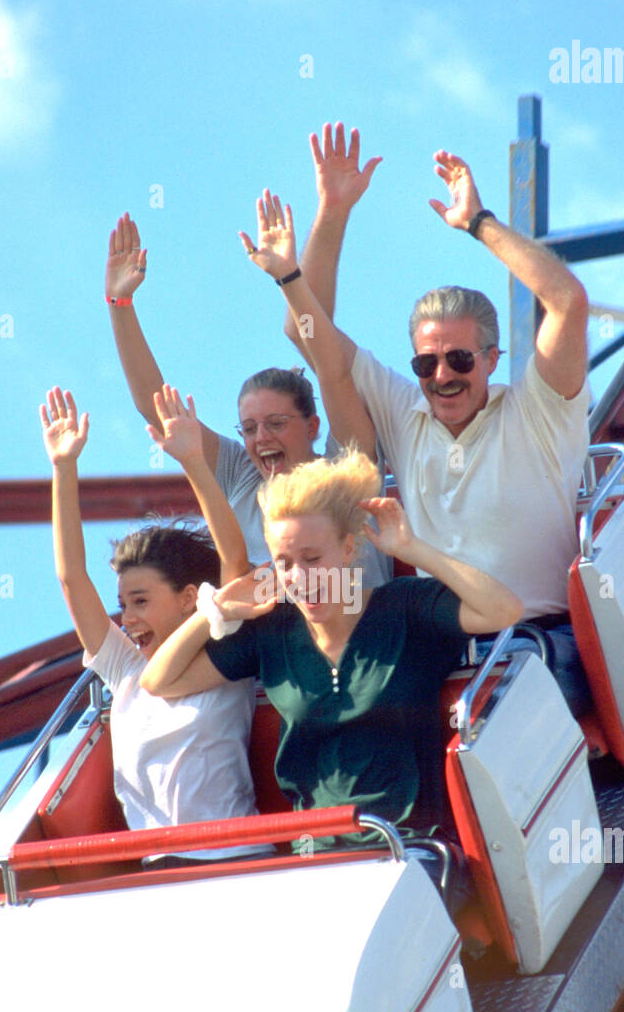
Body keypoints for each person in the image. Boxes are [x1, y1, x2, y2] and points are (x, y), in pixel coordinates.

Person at [138, 447, 523, 864]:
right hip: (318, 856)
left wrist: (414, 550)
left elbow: (504, 610)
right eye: (284, 563)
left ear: (349, 549)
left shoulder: (406, 607)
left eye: (312, 558)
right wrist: (215, 612)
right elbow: (159, 682)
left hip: (413, 849)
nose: (299, 578)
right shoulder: (272, 628)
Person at [282, 123, 591, 627]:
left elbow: (567, 302)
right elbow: (306, 331)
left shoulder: (539, 410)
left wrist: (478, 222)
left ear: (492, 359)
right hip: (440, 651)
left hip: (538, 640)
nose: (442, 375)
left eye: (460, 360)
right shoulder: (405, 411)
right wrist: (333, 212)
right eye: (427, 364)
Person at [104, 211, 390, 587]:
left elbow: (331, 369)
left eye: (276, 424)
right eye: (250, 429)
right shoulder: (242, 475)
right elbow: (154, 406)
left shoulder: (344, 468)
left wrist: (288, 277)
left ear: (313, 425)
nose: (261, 439)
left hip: (357, 635)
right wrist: (119, 303)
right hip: (268, 641)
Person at [39, 384, 257, 856]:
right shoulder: (126, 671)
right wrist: (63, 467)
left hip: (235, 858)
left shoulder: (222, 641)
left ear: (188, 599)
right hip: (159, 869)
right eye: (123, 604)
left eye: (140, 601)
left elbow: (235, 562)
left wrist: (194, 461)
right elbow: (72, 577)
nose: (128, 619)